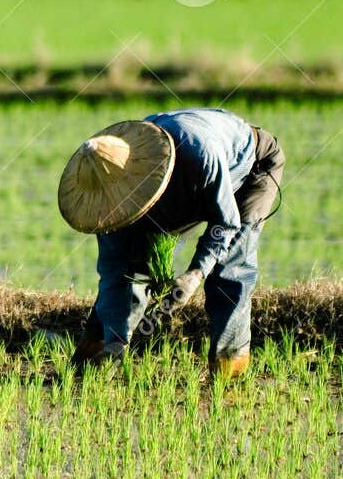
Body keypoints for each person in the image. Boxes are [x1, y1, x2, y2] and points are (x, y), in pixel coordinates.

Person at [57, 108, 284, 378]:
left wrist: (195, 274)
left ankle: (229, 371)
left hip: (251, 168)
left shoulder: (199, 155)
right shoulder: (109, 201)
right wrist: (116, 340)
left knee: (228, 271)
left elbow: (225, 223)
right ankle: (93, 357)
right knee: (137, 264)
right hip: (186, 182)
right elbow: (115, 272)